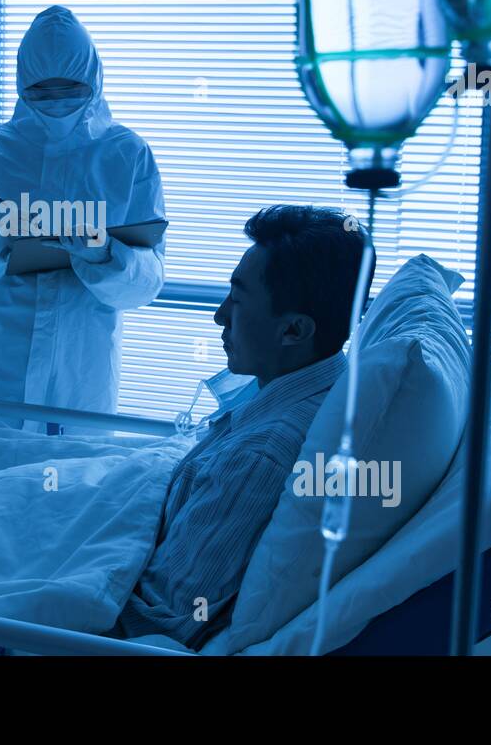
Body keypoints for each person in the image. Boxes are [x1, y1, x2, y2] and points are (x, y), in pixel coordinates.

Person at [115, 205, 371, 648]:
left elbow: (162, 619)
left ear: (293, 330)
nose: (219, 315)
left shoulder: (259, 457)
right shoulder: (304, 387)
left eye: (237, 297)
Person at [0, 5, 165, 427]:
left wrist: (105, 255)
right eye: (43, 93)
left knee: (80, 479)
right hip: (0, 362)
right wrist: (3, 242)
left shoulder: (128, 155)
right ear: (23, 86)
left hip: (83, 371)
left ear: (93, 82)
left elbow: (147, 284)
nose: (57, 104)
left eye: (70, 91)